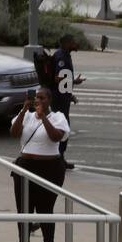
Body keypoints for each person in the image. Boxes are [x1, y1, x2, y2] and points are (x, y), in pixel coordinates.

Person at [10, 87, 71, 242]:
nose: (38, 100)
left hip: (50, 168)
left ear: (49, 100)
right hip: (25, 166)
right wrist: (24, 109)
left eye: (42, 98)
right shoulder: (27, 116)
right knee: (23, 207)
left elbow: (56, 137)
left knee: (46, 207)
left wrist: (43, 116)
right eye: (36, 97)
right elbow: (14, 133)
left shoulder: (58, 117)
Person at [50, 34, 84, 169]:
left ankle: (60, 157)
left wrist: (70, 96)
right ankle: (57, 158)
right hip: (58, 100)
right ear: (67, 43)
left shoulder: (65, 55)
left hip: (63, 98)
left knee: (64, 128)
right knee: (62, 128)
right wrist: (74, 81)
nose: (76, 44)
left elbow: (63, 81)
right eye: (74, 42)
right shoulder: (61, 57)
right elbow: (57, 78)